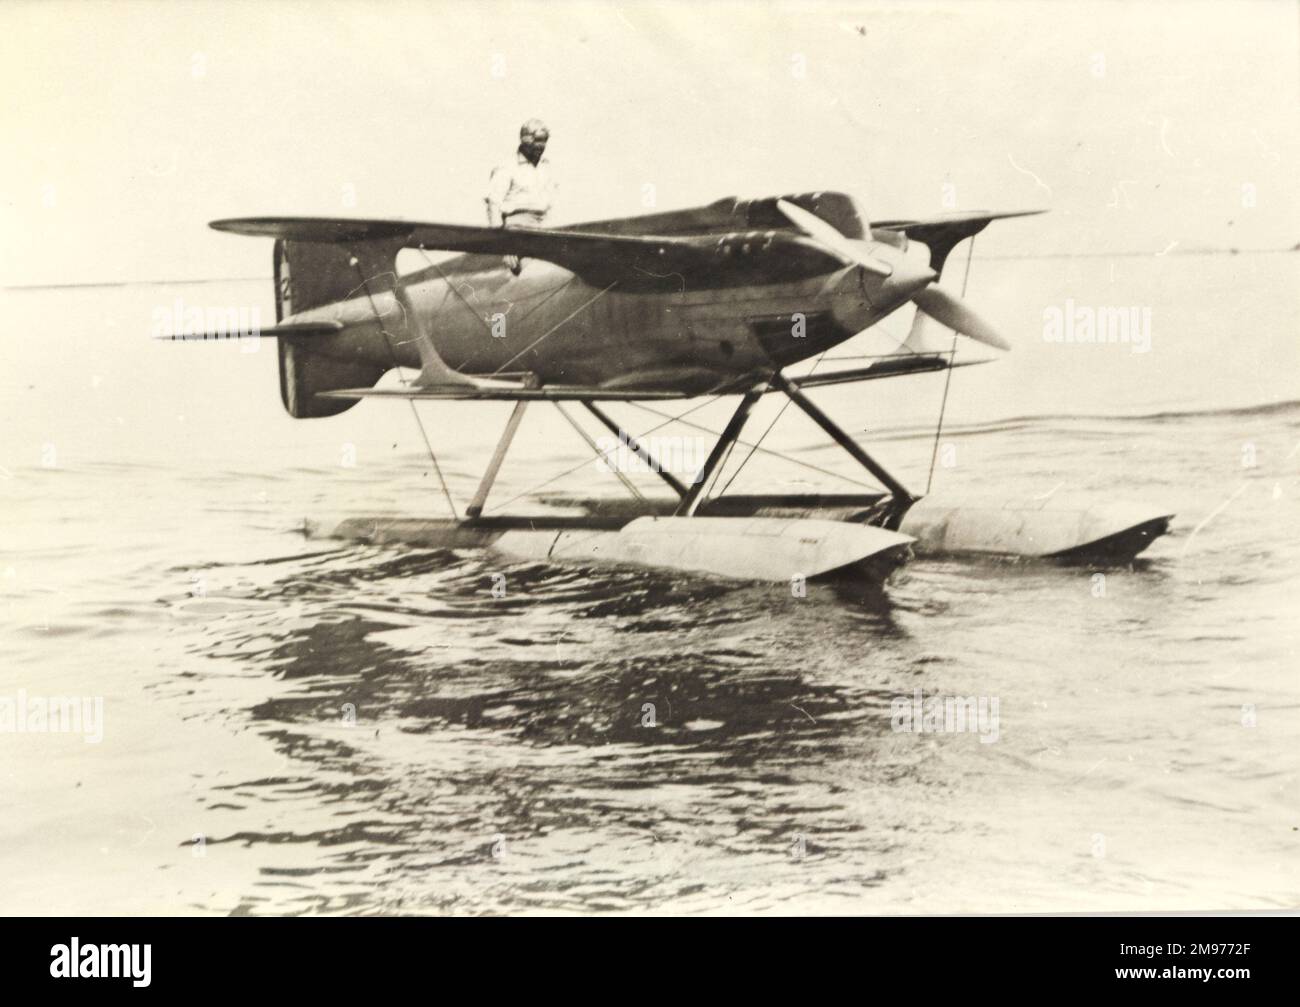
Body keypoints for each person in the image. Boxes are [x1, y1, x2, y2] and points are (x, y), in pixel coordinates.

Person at [486, 119, 556, 272]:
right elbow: (494, 204)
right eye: (537, 140)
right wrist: (505, 246)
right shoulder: (507, 166)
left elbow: (550, 200)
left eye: (544, 141)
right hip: (518, 228)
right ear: (525, 139)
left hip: (545, 228)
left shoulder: (546, 166)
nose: (541, 146)